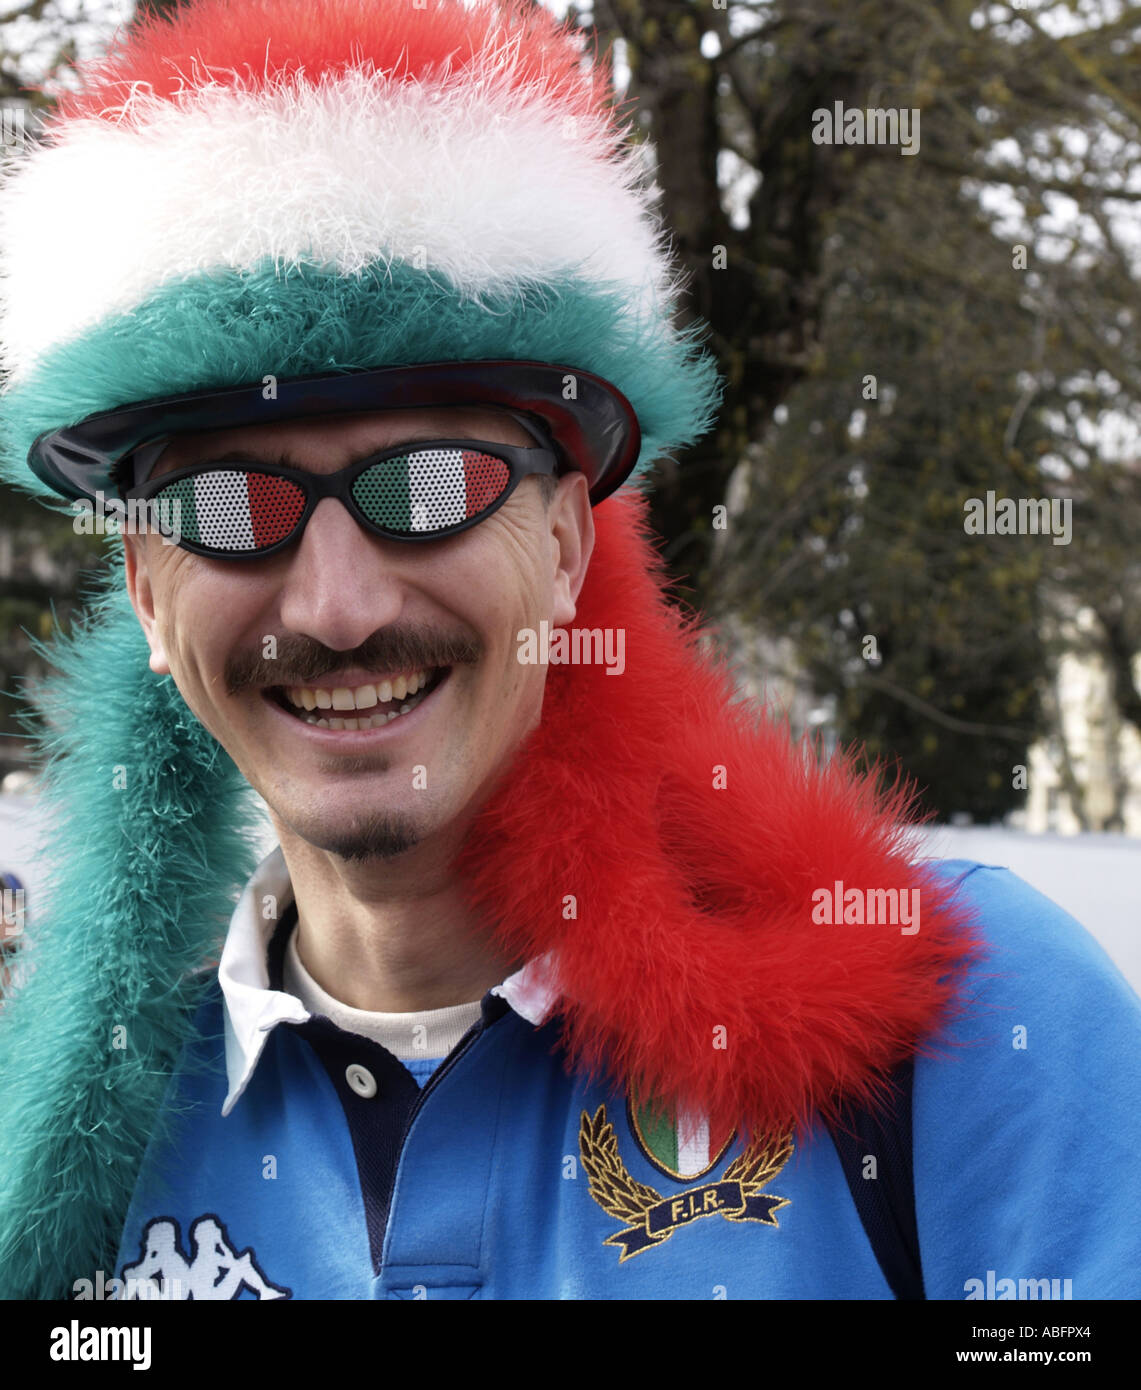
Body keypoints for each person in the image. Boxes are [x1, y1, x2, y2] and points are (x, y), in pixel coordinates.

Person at [0, 0, 1138, 1302]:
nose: (334, 605)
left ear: (563, 542)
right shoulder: (66, 1160)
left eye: (428, 485)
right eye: (224, 508)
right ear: (146, 589)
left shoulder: (966, 1026)